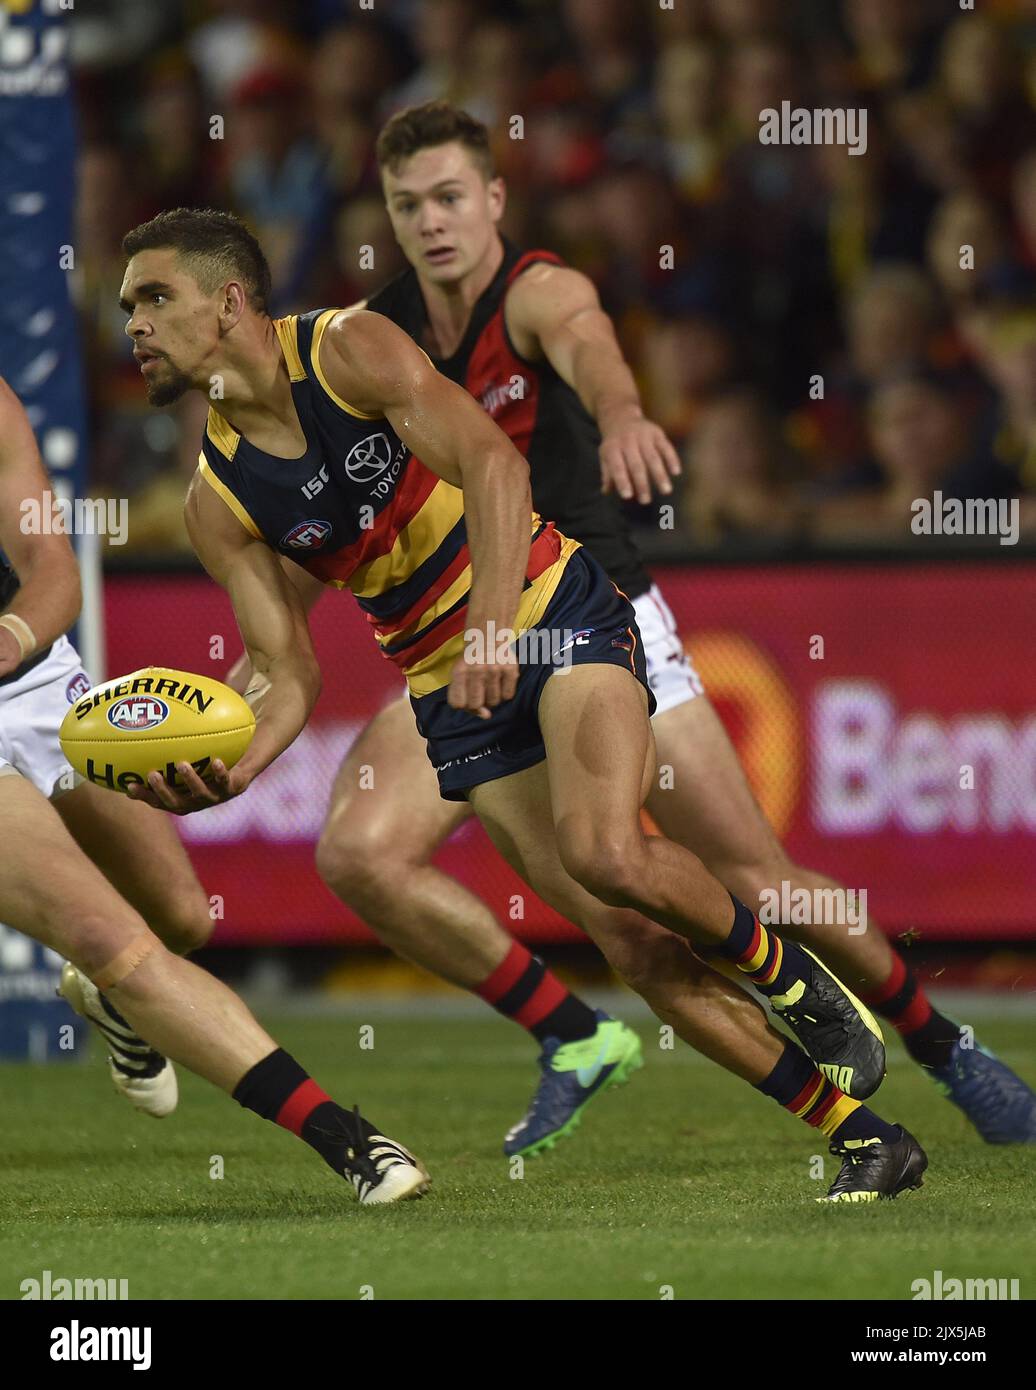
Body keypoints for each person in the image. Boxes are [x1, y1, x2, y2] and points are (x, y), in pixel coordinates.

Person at [240, 102, 1036, 1153]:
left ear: (492, 199)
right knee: (363, 849)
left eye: (447, 197)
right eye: (406, 204)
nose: (430, 221)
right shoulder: (372, 340)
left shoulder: (537, 291)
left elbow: (587, 342)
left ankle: (946, 1049)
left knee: (753, 879)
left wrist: (620, 414)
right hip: (468, 643)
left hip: (594, 613)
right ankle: (578, 1036)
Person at [118, 203, 931, 1204]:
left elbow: (495, 465)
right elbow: (285, 669)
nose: (135, 325)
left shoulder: (346, 350)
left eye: (155, 298)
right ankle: (866, 1139)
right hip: (445, 684)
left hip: (549, 607)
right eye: (126, 307)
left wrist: (495, 625)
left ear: (229, 301)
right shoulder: (217, 501)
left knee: (605, 851)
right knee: (627, 940)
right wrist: (228, 775)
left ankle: (788, 974)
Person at [0, 376, 429, 1206]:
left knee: (182, 920)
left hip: (34, 678)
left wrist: (12, 634)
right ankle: (349, 1142)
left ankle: (110, 1002)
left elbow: (52, 568)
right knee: (111, 935)